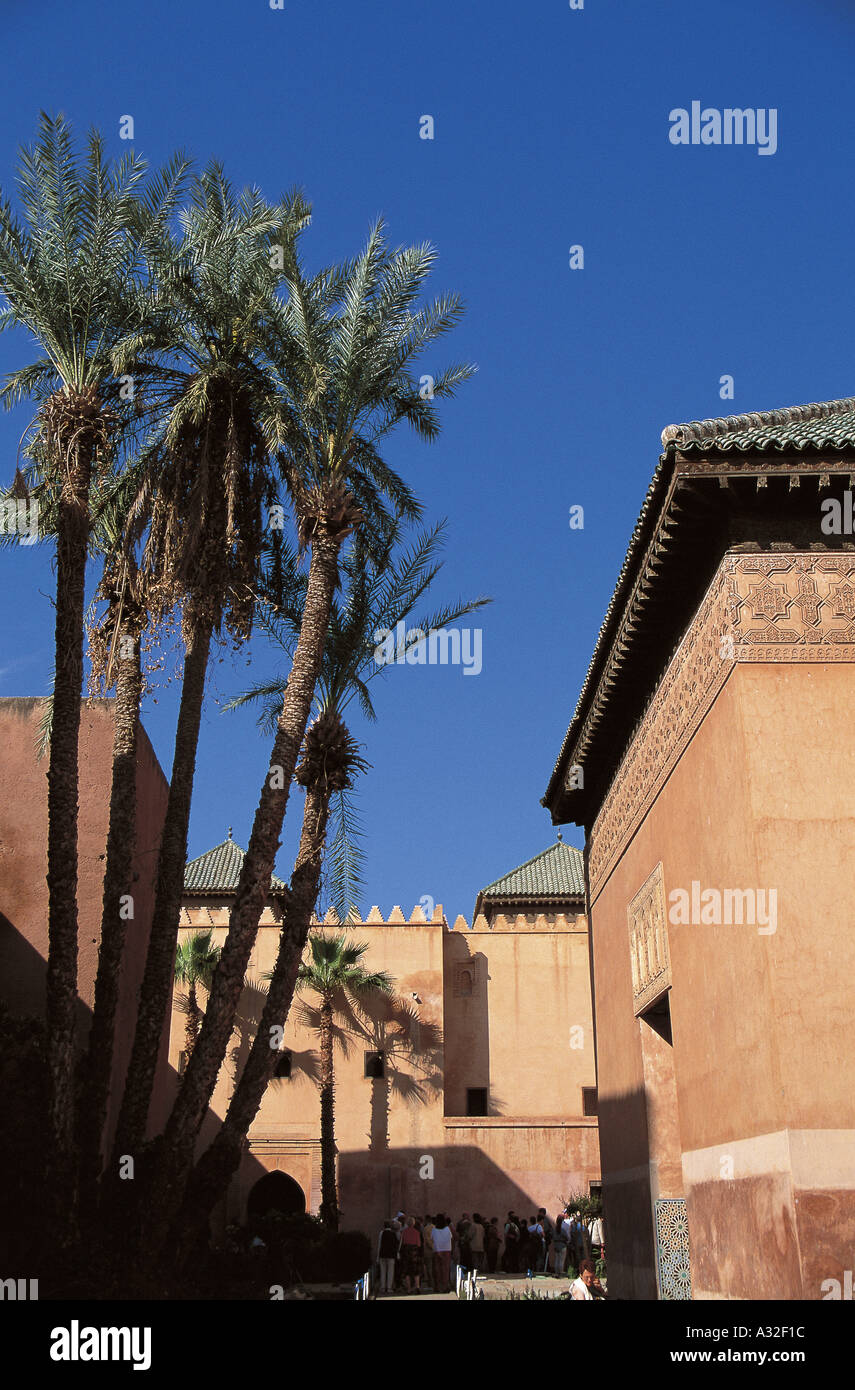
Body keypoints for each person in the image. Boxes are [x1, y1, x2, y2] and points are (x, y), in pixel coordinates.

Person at [399, 1216, 423, 1294]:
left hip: (406, 1253)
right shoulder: (417, 1232)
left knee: (407, 1272)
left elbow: (402, 1243)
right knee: (416, 1271)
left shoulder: (403, 1232)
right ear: (414, 1223)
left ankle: (408, 1289)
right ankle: (417, 1287)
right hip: (415, 1253)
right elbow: (419, 1244)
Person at [432, 1214, 453, 1292]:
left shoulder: (434, 1229)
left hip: (437, 1250)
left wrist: (438, 1250)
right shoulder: (447, 1229)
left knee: (437, 1270)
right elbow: (450, 1238)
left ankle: (438, 1286)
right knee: (445, 1269)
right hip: (447, 1250)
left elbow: (434, 1239)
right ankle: (445, 1286)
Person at [378, 1221, 399, 1295]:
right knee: (390, 1271)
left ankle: (383, 1287)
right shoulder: (394, 1234)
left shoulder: (381, 1233)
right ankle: (389, 1287)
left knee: (383, 1271)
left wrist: (378, 1257)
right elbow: (396, 1245)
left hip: (382, 1254)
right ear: (390, 1226)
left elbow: (379, 1244)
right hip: (391, 1255)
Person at [550, 1211, 568, 1276]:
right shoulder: (563, 1229)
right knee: (561, 1260)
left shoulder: (554, 1229)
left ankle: (556, 1272)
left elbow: (552, 1236)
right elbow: (567, 1237)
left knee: (557, 1259)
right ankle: (561, 1272)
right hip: (562, 1245)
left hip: (556, 1245)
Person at [423, 1214, 436, 1289]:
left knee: (429, 1268)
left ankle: (431, 1284)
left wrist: (431, 1247)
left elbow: (427, 1240)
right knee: (434, 1267)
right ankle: (435, 1282)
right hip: (436, 1250)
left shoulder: (426, 1228)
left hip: (428, 1251)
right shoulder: (434, 1227)